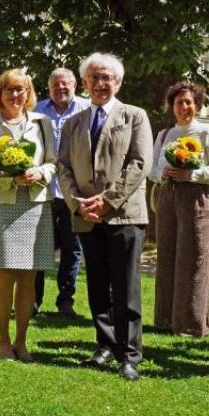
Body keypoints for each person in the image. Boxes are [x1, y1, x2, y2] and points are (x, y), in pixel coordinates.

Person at [57, 53, 152, 380]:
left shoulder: (135, 116)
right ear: (84, 83)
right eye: (94, 78)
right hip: (86, 216)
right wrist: (77, 203)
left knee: (126, 286)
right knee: (97, 284)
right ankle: (105, 345)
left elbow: (140, 163)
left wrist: (107, 201)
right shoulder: (73, 123)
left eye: (107, 77)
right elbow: (63, 168)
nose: (100, 83)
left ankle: (130, 353)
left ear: (118, 82)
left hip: (124, 215)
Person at [0, 69, 56, 362]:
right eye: (10, 90)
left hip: (34, 204)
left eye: (21, 89)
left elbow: (54, 162)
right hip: (0, 203)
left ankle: (22, 339)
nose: (15, 95)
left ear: (28, 93)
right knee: (4, 275)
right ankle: (3, 340)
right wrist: (6, 177)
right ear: (0, 94)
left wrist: (39, 172)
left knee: (29, 276)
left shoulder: (42, 124)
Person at [148, 82, 209, 337]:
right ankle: (165, 318)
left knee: (194, 257)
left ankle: (191, 322)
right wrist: (163, 173)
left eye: (189, 102)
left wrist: (193, 174)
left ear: (197, 105)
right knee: (167, 255)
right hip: (168, 195)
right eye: (179, 103)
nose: (184, 107)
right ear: (172, 107)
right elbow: (152, 170)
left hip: (196, 198)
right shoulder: (165, 135)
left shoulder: (205, 133)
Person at [32, 68, 89, 317]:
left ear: (75, 85)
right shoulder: (37, 111)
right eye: (55, 86)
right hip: (42, 190)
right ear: (49, 88)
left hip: (73, 191)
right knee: (39, 248)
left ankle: (65, 302)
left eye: (65, 85)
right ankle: (33, 302)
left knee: (72, 249)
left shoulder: (86, 110)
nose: (60, 89)